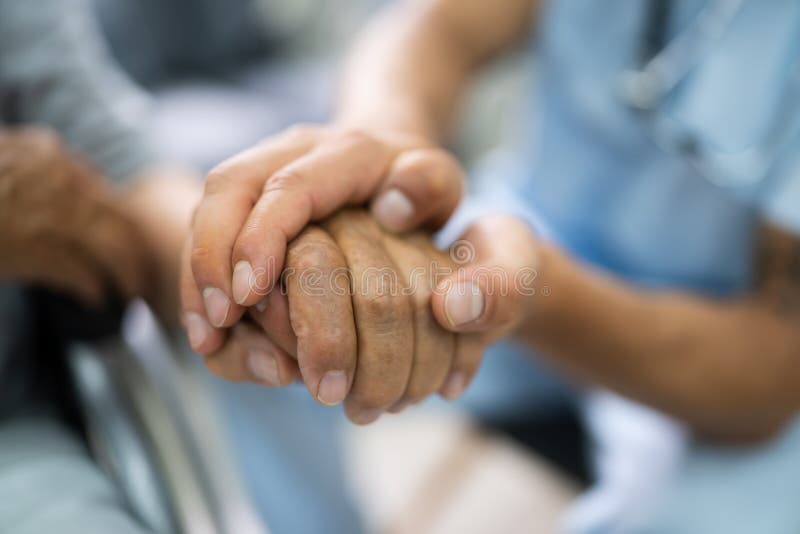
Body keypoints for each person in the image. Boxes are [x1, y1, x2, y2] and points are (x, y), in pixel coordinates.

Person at [184, 0, 800, 531]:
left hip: (717, 347)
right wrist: (380, 148)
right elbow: (440, 28)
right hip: (521, 234)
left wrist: (534, 295)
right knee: (268, 307)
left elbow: (772, 376)